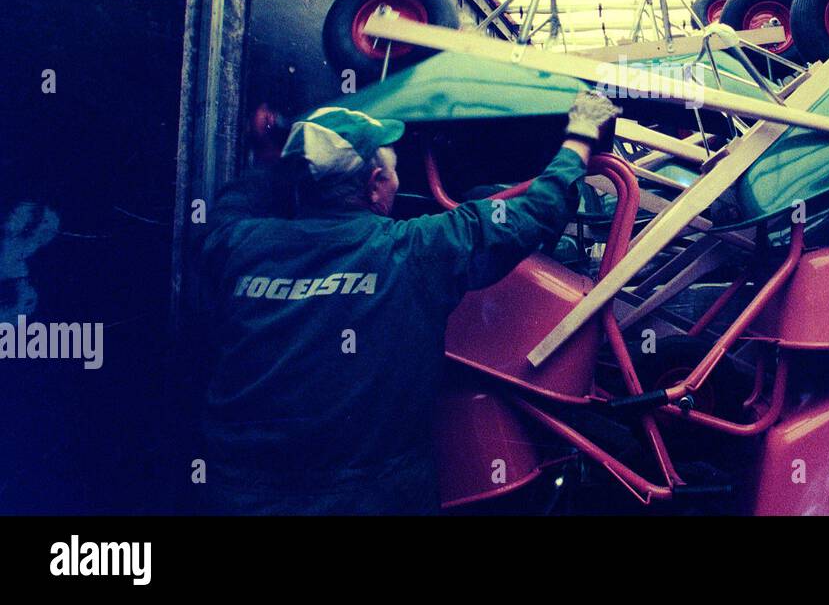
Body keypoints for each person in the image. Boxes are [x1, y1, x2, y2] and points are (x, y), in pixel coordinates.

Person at [195, 90, 620, 514]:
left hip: (235, 494)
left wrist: (269, 158)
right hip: (372, 498)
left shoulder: (239, 245)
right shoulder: (414, 250)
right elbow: (536, 210)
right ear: (376, 184)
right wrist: (580, 134)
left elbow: (227, 211)